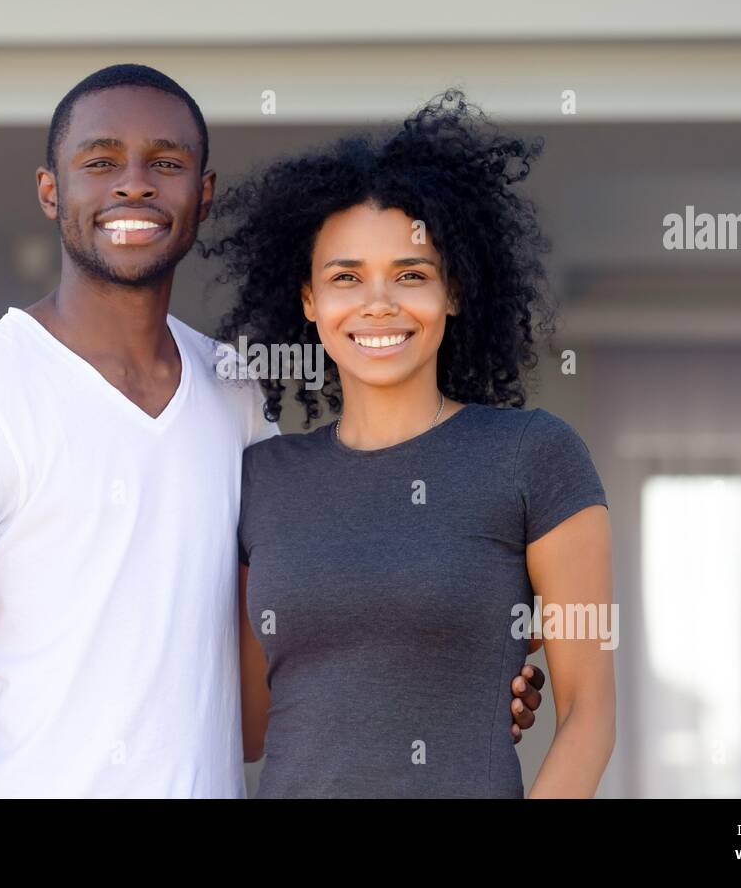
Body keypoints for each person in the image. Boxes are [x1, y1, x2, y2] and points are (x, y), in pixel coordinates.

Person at [0, 66, 547, 798]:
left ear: (204, 193)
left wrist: (453, 670)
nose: (133, 184)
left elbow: (264, 698)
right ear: (49, 191)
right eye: (100, 162)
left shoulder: (235, 390)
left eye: (166, 163)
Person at [215, 89, 615, 797]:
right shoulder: (261, 478)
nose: (378, 303)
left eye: (411, 275)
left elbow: (589, 714)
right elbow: (250, 720)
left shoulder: (533, 456)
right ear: (309, 301)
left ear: (453, 292)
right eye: (345, 278)